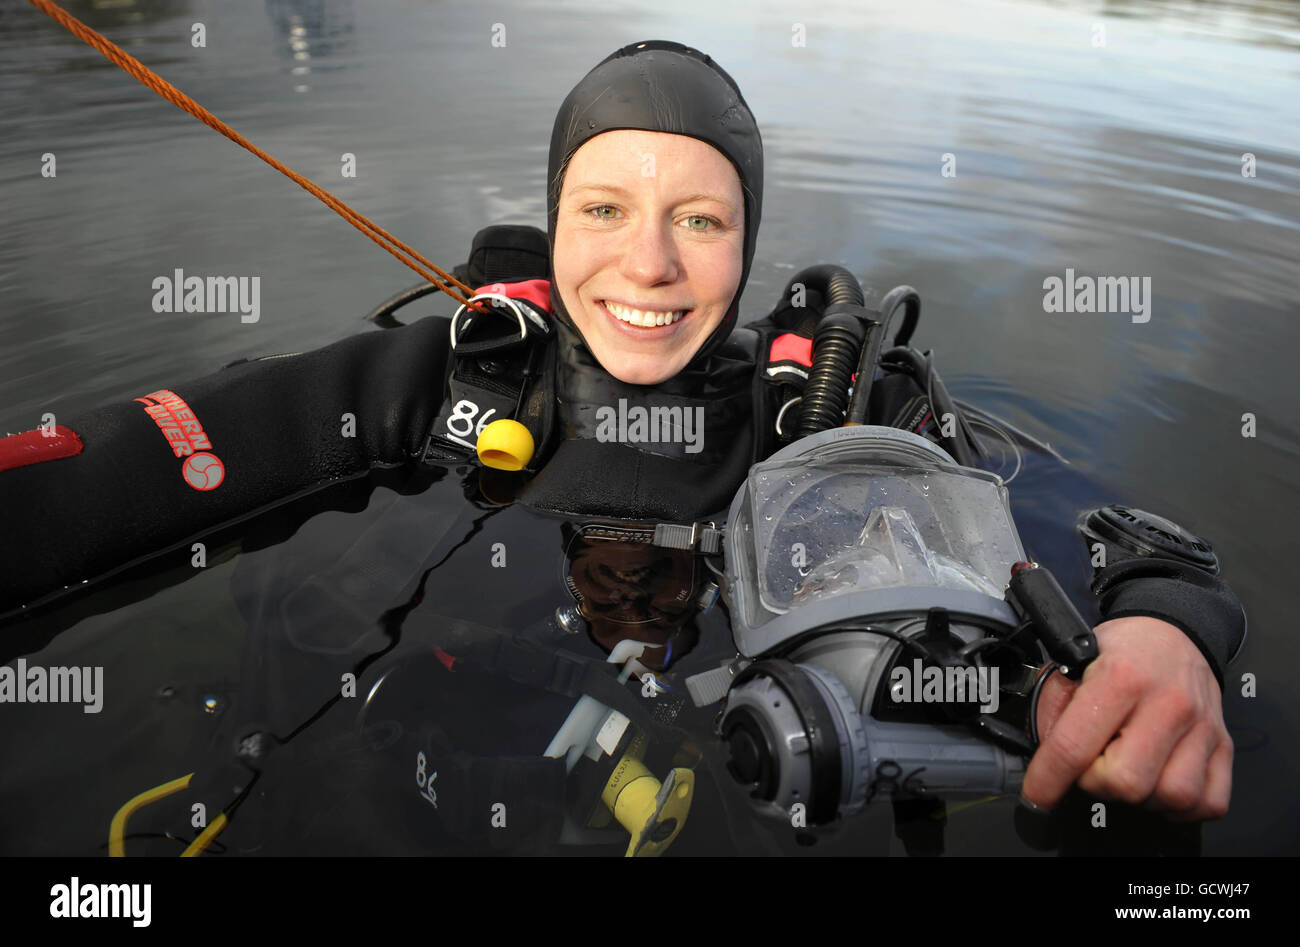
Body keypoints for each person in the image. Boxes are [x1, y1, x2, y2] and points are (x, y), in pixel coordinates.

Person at [0, 41, 1243, 833]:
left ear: (748, 244)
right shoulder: (451, 390)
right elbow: (151, 459)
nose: (646, 263)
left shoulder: (826, 414)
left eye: (698, 218)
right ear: (554, 223)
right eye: (604, 207)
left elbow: (1112, 532)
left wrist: (1160, 629)